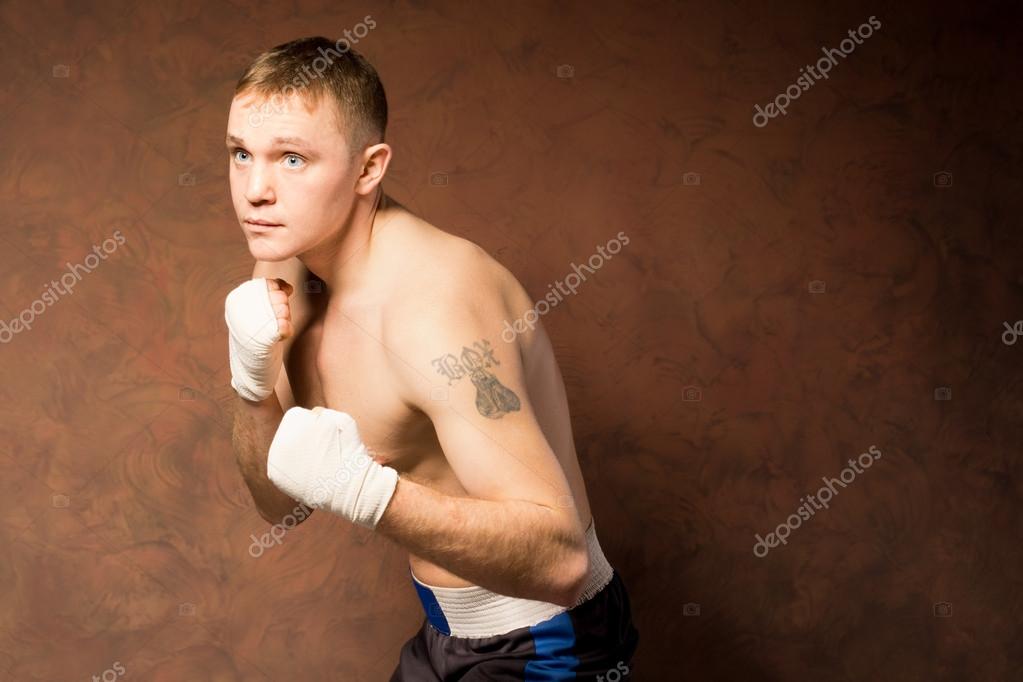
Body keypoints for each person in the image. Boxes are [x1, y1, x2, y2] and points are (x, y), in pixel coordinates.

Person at [223, 36, 638, 680]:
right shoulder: (283, 266)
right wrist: (251, 388)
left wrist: (365, 491)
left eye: (293, 158)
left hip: (546, 641)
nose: (255, 190)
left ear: (369, 169)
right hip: (446, 629)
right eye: (241, 154)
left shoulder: (433, 306)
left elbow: (562, 563)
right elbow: (278, 505)